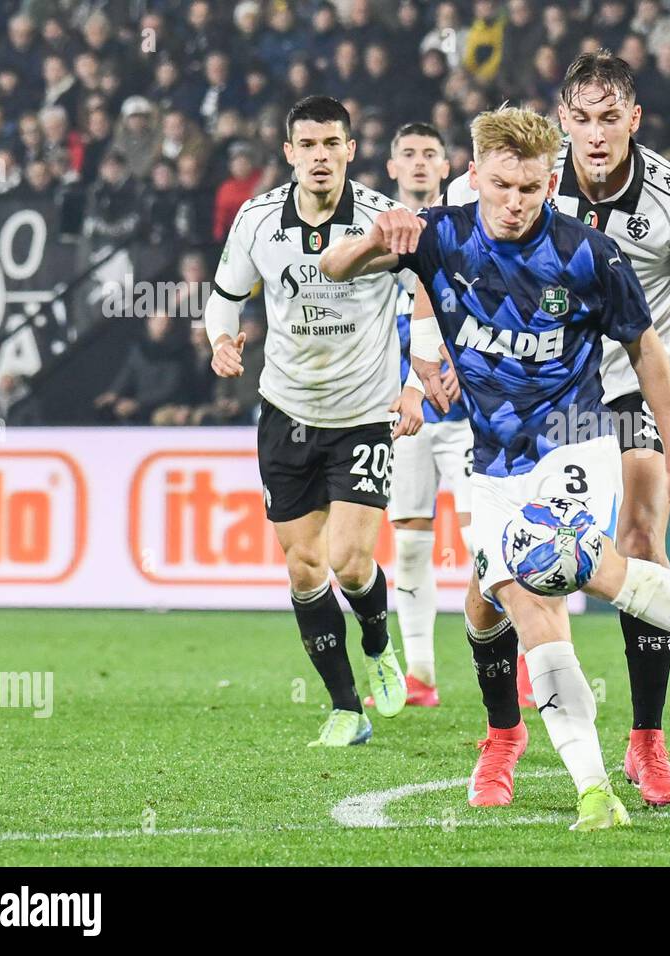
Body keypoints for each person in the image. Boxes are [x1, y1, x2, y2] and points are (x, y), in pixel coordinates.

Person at [320, 106, 670, 830]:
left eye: (530, 188)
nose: (514, 203)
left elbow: (650, 353)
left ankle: (605, 781)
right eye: (500, 185)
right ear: (474, 176)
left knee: (547, 580)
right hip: (493, 465)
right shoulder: (440, 233)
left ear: (552, 179)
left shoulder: (587, 255)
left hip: (576, 444)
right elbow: (332, 267)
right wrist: (375, 234)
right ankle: (511, 734)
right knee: (487, 608)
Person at [442, 51, 670, 808]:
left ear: (634, 121)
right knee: (493, 587)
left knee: (639, 540)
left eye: (612, 119)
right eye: (583, 119)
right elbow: (439, 260)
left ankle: (647, 742)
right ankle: (505, 731)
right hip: (527, 393)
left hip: (630, 386)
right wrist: (421, 367)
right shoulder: (521, 177)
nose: (596, 135)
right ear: (561, 120)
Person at [203, 95, 409, 747]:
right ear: (289, 154)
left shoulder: (383, 220)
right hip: (286, 411)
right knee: (301, 568)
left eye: (332, 144)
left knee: (349, 562)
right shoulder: (258, 220)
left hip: (362, 414)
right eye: (308, 146)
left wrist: (414, 382)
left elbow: (428, 295)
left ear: (351, 149)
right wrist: (221, 339)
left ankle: (378, 639)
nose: (320, 157)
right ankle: (347, 707)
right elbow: (225, 297)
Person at [382, 121, 470, 708]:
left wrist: (467, 363)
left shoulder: (466, 228)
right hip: (402, 411)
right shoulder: (372, 234)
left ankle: (518, 665)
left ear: (446, 166)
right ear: (391, 167)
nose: (418, 163)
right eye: (408, 154)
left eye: (429, 155)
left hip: (468, 413)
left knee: (492, 539)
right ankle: (421, 675)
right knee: (411, 541)